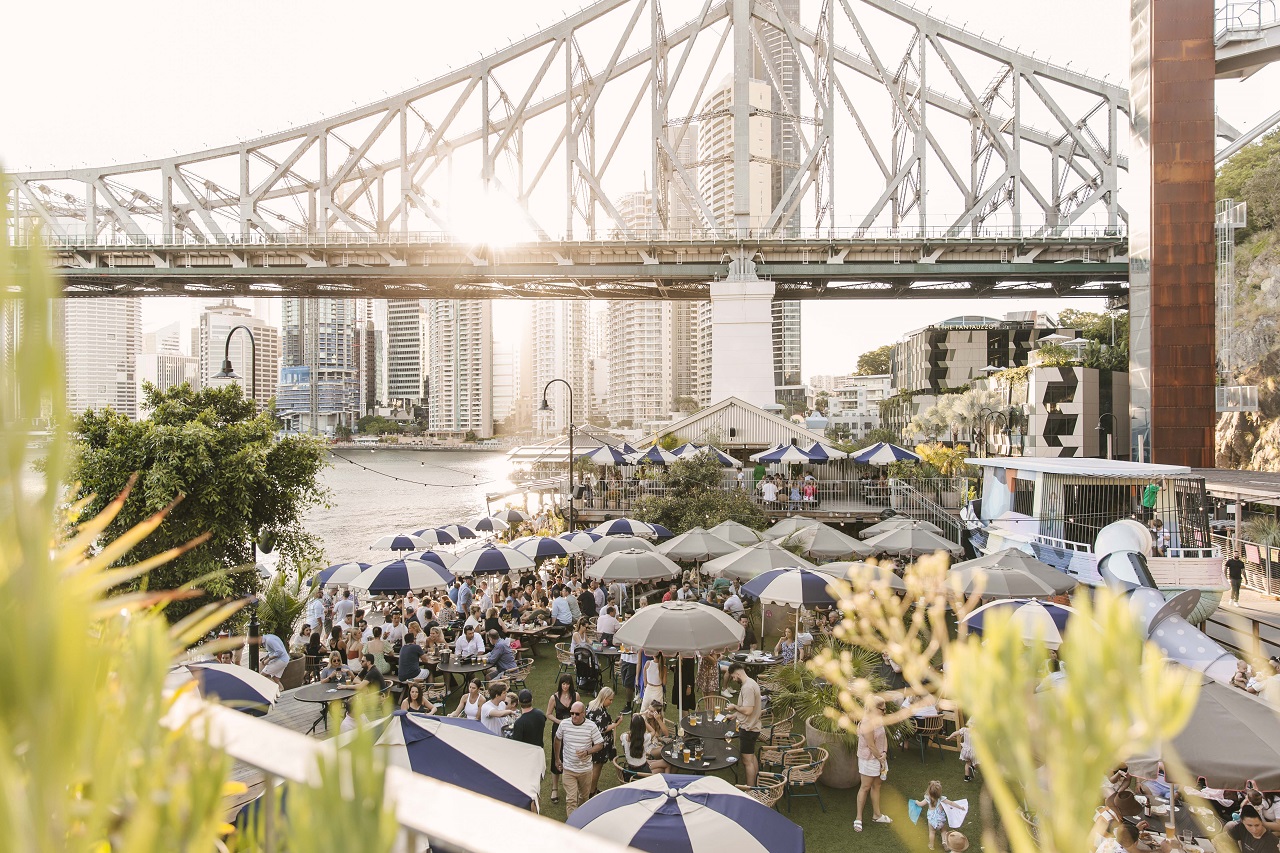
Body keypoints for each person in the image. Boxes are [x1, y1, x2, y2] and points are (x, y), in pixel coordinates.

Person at [554, 701, 605, 818]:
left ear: (584, 713)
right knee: (571, 800)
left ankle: (581, 819)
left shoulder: (591, 726)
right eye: (571, 713)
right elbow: (557, 739)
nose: (573, 716)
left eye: (577, 714)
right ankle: (572, 826)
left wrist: (587, 752)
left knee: (584, 797)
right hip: (568, 769)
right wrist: (557, 759)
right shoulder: (564, 724)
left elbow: (600, 744)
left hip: (585, 770)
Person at [854, 696, 892, 832]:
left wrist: (884, 752)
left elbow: (884, 736)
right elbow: (870, 745)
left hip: (879, 757)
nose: (885, 711)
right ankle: (858, 818)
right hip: (868, 759)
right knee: (865, 787)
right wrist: (881, 759)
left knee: (877, 785)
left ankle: (877, 815)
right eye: (882, 709)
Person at [724, 661, 762, 786]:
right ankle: (756, 783)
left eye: (734, 677)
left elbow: (748, 710)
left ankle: (750, 789)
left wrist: (734, 706)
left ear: (738, 674)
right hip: (753, 725)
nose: (734, 680)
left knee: (747, 761)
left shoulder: (747, 688)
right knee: (751, 757)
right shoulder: (751, 682)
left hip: (748, 728)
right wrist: (734, 715)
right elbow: (746, 708)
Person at [546, 674, 579, 804]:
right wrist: (559, 721)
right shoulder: (554, 697)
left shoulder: (575, 696)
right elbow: (548, 714)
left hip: (572, 729)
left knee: (571, 755)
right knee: (557, 755)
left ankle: (571, 786)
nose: (565, 686)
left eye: (567, 684)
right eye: (563, 684)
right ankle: (555, 787)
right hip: (558, 729)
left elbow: (580, 712)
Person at [585, 687, 619, 796]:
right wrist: (615, 724)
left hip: (590, 741)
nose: (611, 702)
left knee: (592, 767)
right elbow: (602, 729)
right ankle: (591, 791)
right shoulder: (600, 711)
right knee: (597, 768)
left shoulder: (591, 705)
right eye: (610, 699)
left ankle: (591, 789)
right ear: (604, 698)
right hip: (599, 744)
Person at [915, 780, 962, 851]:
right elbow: (951, 803)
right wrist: (960, 807)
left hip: (931, 820)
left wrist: (916, 801)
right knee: (943, 831)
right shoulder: (942, 799)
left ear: (929, 791)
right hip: (941, 820)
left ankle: (931, 845)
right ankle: (945, 843)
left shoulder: (927, 798)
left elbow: (920, 804)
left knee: (932, 832)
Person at [946, 718, 979, 782]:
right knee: (979, 761)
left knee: (967, 763)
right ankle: (973, 767)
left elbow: (955, 733)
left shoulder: (964, 730)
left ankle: (966, 777)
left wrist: (949, 737)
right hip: (973, 752)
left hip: (965, 751)